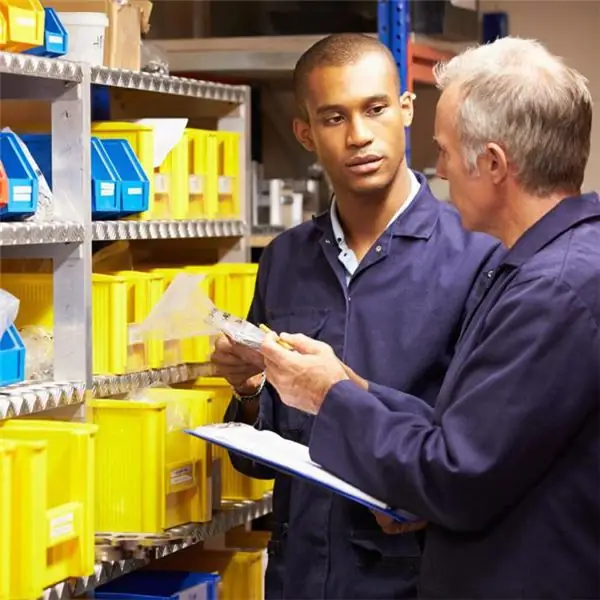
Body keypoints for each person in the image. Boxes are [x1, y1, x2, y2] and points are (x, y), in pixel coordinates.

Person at [259, 36, 600, 599]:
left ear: (492, 163)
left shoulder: (555, 290)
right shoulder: (541, 269)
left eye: (444, 151)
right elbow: (462, 428)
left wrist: (330, 398)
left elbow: (455, 472)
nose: (438, 170)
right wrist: (348, 384)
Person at [211, 33, 500, 599]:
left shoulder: (476, 255)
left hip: (413, 582)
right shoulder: (285, 259)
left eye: (375, 109)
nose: (359, 135)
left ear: (407, 110)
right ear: (306, 133)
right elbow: (263, 463)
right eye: (333, 117)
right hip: (298, 578)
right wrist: (247, 391)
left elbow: (481, 450)